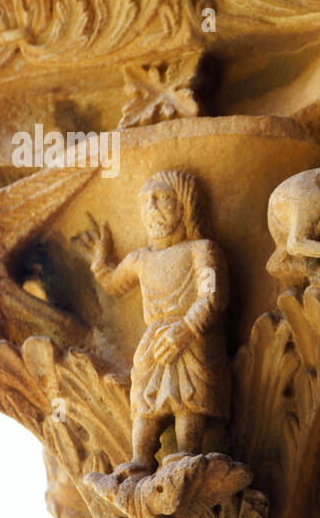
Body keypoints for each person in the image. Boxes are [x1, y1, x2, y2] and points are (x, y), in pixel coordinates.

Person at [77, 170, 230, 479]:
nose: (152, 209)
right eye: (146, 202)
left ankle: (186, 451)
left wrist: (187, 328)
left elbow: (213, 293)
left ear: (185, 205)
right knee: (145, 399)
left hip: (191, 336)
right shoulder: (141, 259)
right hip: (155, 337)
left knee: (189, 396)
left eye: (163, 199)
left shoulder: (201, 250)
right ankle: (141, 458)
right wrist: (99, 259)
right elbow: (113, 283)